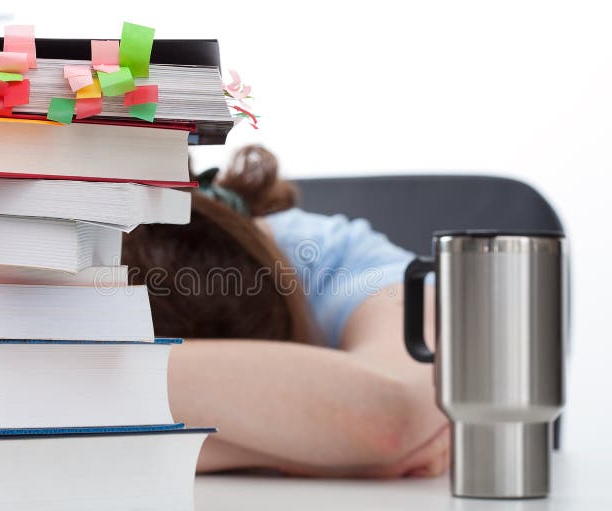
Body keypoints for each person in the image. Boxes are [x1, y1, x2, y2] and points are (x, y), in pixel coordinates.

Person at [122, 146, 449, 478]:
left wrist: (111, 374)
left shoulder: (339, 257)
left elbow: (390, 414)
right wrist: (306, 455)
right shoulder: (102, 263)